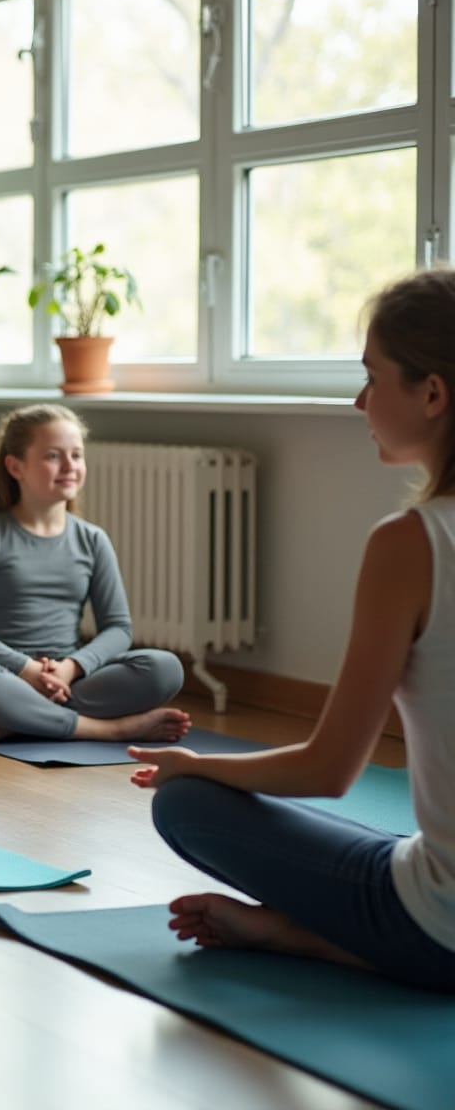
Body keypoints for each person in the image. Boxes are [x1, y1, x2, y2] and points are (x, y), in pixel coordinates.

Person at [131, 269, 455, 991]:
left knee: (185, 804)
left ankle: (312, 939)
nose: (360, 400)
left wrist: (194, 765)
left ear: (433, 394)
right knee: (396, 846)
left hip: (443, 927)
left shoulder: (412, 543)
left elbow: (329, 771)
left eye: (373, 378)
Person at [0, 403, 190, 745]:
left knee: (165, 668)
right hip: (3, 678)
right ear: (15, 467)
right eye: (54, 456)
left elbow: (118, 628)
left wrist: (71, 667)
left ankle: (22, 719)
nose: (70, 466)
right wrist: (26, 670)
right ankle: (107, 729)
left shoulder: (92, 540)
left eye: (77, 455)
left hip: (70, 680)